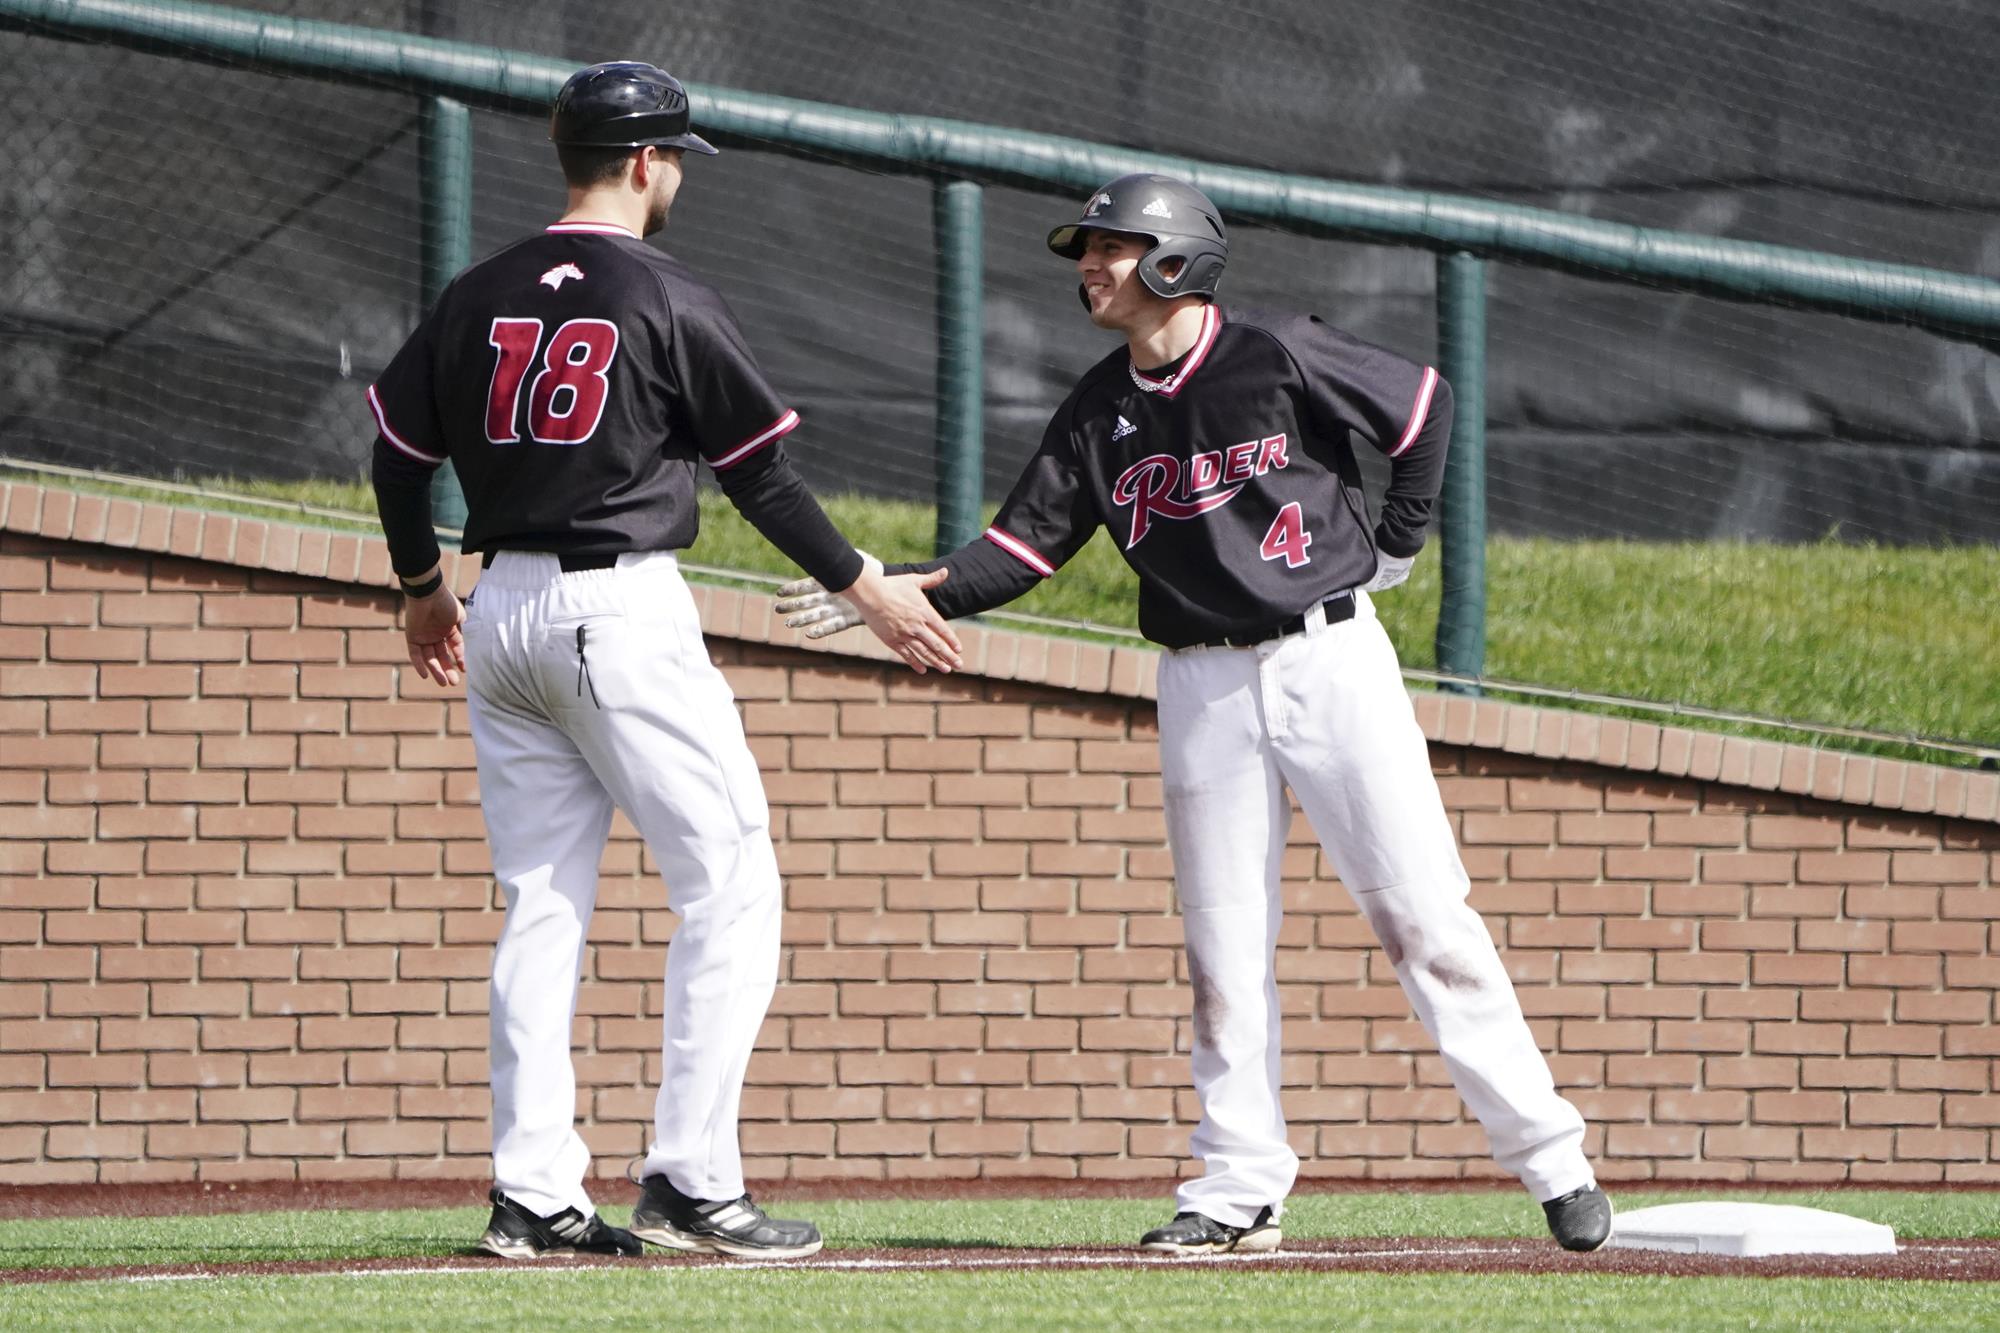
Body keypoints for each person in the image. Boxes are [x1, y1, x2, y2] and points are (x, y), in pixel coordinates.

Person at [776, 173, 1612, 1255]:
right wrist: (896, 589)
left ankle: (1551, 1159)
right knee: (1221, 951)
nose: (1088, 264)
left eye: (1110, 246)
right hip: (1198, 685)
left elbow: (1420, 406)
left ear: (1174, 258)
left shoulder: (1275, 349)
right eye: (1086, 248)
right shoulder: (1096, 408)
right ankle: (1234, 1189)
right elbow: (1021, 551)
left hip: (1330, 660)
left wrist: (1398, 543)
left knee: (1424, 920)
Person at [368, 60, 961, 1261]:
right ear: (645, 161)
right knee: (731, 881)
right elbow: (759, 474)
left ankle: (532, 1192)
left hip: (500, 611)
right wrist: (869, 590)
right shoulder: (665, 291)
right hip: (616, 612)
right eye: (675, 154)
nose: (676, 172)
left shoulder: (475, 291)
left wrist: (424, 592)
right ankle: (691, 1179)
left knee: (541, 905)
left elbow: (393, 456)